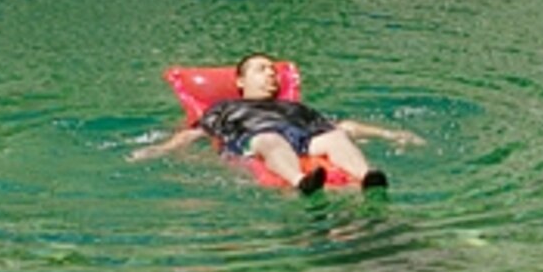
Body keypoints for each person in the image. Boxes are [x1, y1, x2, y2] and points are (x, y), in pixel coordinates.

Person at [132, 54, 422, 190]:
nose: (271, 74)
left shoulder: (293, 107)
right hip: (256, 141)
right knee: (271, 139)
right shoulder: (224, 108)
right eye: (261, 70)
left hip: (301, 139)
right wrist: (159, 150)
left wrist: (391, 134)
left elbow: (342, 127)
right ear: (240, 81)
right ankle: (300, 182)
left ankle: (366, 177)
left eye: (273, 70)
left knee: (334, 138)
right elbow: (193, 134)